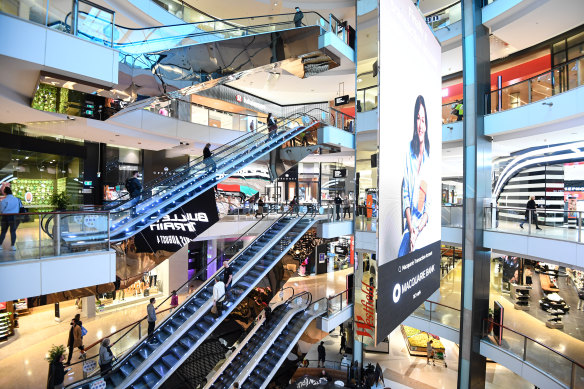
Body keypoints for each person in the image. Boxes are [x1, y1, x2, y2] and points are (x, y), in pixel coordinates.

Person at [400, 95, 431, 256]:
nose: (420, 125)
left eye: (423, 120)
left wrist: (417, 230)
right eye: (418, 119)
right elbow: (405, 194)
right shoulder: (409, 153)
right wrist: (411, 227)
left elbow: (427, 207)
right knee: (401, 257)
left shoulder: (428, 160)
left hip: (422, 228)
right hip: (410, 225)